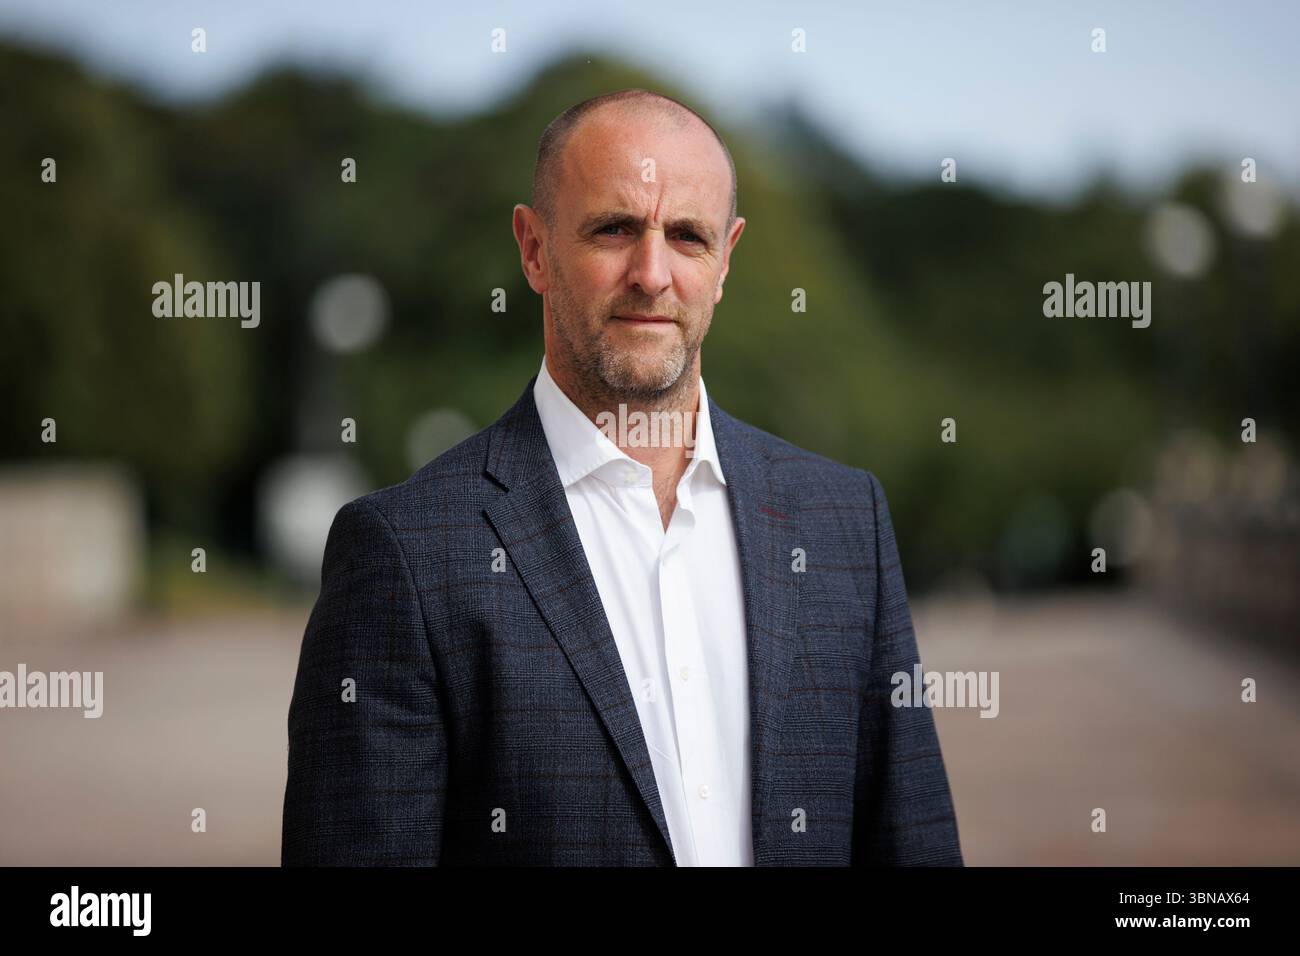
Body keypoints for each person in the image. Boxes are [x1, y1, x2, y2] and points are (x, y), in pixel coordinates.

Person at [282, 88, 963, 866]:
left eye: (687, 236)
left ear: (726, 259)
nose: (652, 273)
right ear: (534, 250)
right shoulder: (405, 554)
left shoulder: (844, 522)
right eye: (614, 229)